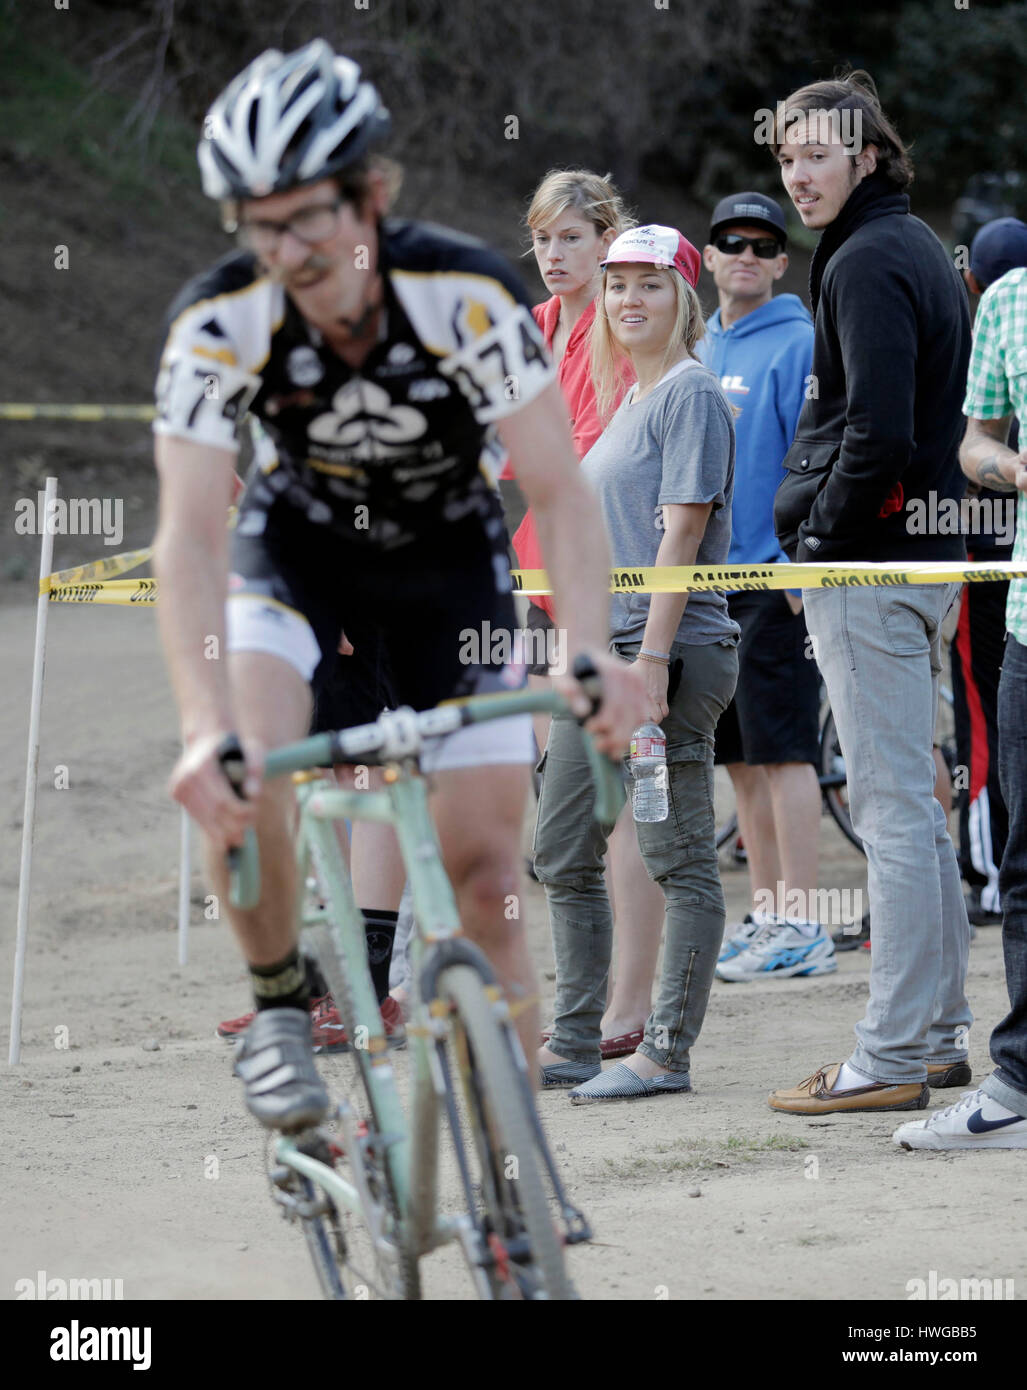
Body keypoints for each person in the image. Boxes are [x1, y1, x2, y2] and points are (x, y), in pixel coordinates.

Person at [152, 41, 645, 1133]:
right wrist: (201, 726)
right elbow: (187, 536)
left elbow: (561, 496)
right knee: (243, 780)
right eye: (257, 223)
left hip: (450, 571)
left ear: (371, 193)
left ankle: (509, 1178)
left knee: (483, 880)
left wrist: (593, 652)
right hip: (297, 560)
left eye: (308, 217)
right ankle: (284, 1003)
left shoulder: (465, 293)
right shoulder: (217, 320)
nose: (284, 249)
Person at [768, 71, 974, 1117]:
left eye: (817, 154)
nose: (798, 173)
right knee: (915, 814)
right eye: (786, 155)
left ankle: (893, 1052)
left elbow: (879, 431)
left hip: (876, 564)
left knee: (893, 814)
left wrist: (816, 544)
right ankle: (932, 1041)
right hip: (916, 561)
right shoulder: (899, 244)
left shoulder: (867, 257)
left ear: (866, 156)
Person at [534, 224, 739, 1104]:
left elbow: (681, 532)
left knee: (674, 855)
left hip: (665, 654)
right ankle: (576, 1039)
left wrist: (651, 658)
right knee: (559, 847)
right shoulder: (626, 396)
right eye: (617, 286)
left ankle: (664, 1052)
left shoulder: (688, 392)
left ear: (682, 297)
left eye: (649, 285)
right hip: (599, 660)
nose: (628, 300)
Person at [516, 169, 664, 1059]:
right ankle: (580, 1002)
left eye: (572, 237)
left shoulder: (622, 324)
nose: (554, 255)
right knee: (562, 808)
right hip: (539, 589)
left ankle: (629, 1002)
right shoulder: (534, 329)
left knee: (625, 805)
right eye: (542, 239)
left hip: (612, 588)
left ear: (608, 239)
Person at [893, 257, 1027, 1150]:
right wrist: (1005, 465)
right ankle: (1018, 1086)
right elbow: (973, 442)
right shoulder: (1010, 300)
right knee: (1022, 866)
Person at [694, 191, 831, 981]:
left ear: (782, 262)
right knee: (739, 761)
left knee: (785, 754)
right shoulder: (699, 343)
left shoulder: (801, 343)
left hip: (772, 577)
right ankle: (773, 914)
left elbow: (817, 456)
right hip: (707, 581)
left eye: (760, 245)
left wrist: (798, 560)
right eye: (729, 242)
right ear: (708, 256)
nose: (744, 254)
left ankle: (807, 923)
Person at [950, 219, 1027, 927]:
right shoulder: (994, 319)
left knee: (977, 715)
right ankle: (991, 869)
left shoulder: (971, 318)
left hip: (979, 552)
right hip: (992, 565)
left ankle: (985, 872)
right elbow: (974, 443)